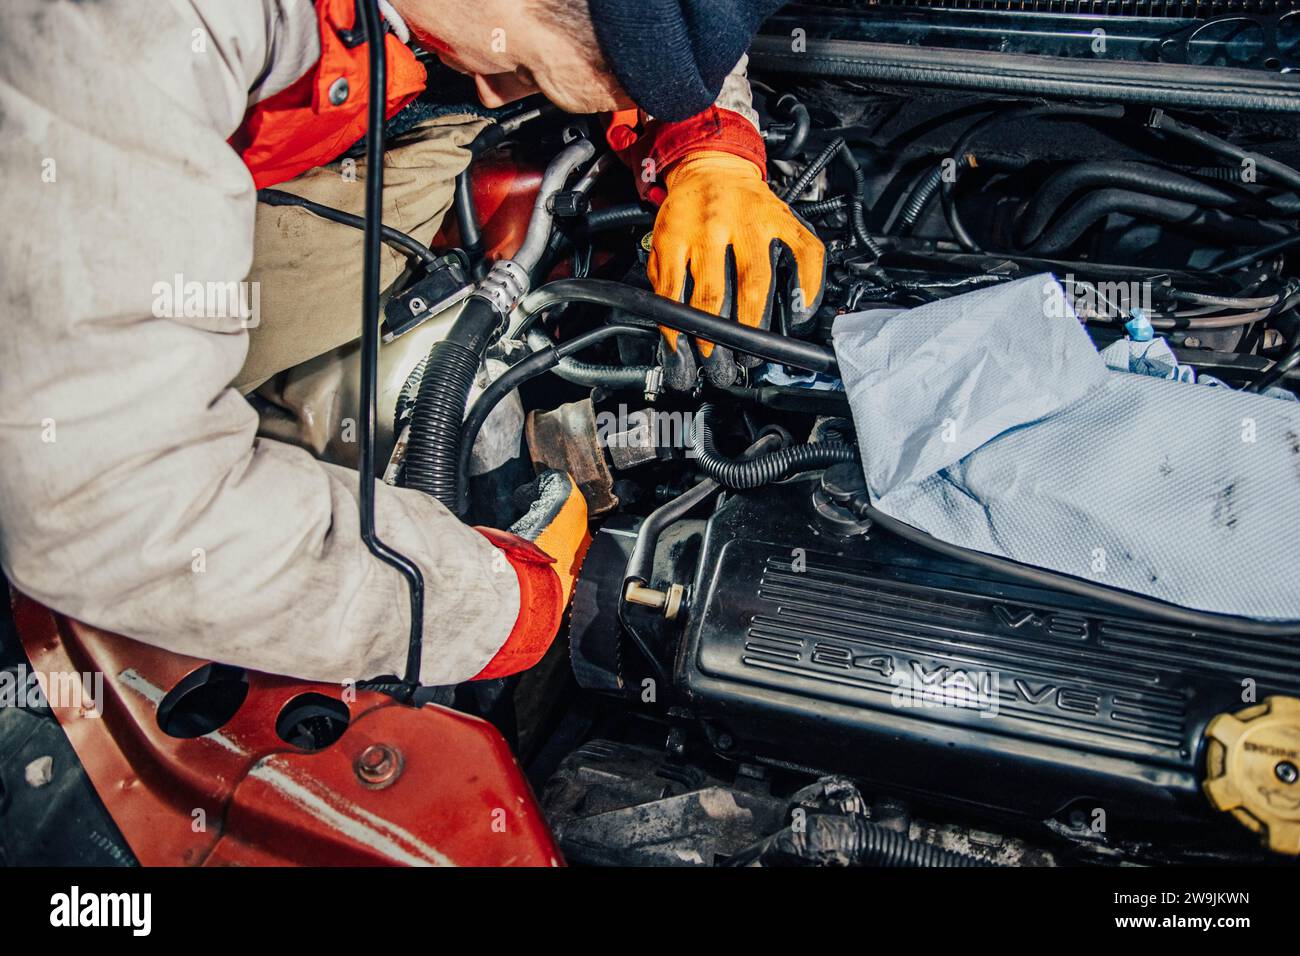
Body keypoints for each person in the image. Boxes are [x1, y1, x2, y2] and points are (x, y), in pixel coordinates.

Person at [0, 0, 824, 688]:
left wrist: (709, 144)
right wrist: (482, 607)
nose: (500, 91)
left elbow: (641, 16)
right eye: (529, 71)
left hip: (366, 155)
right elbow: (105, 507)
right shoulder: (135, 27)